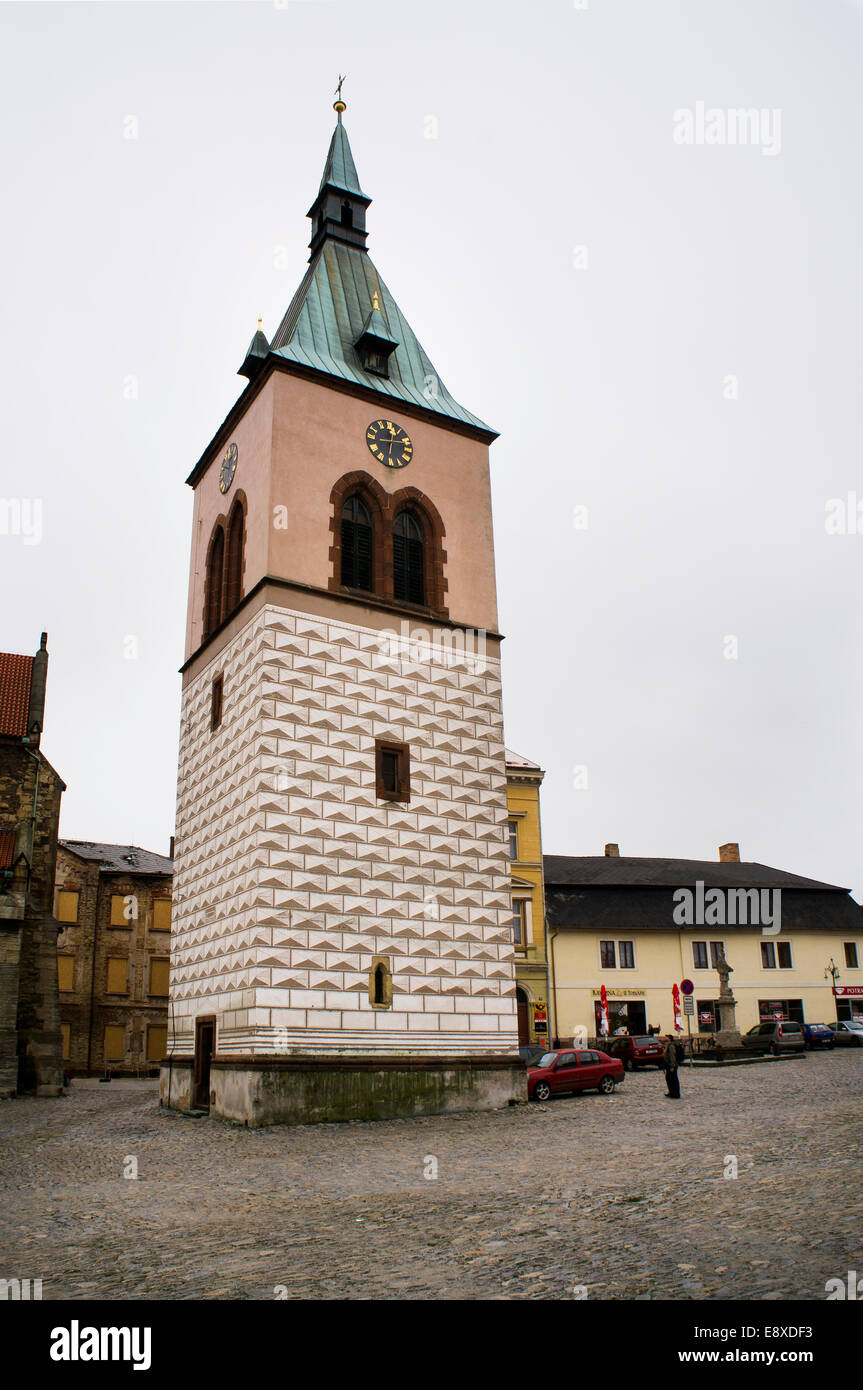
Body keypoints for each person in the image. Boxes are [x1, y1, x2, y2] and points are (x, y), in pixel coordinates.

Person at [663, 1033, 681, 1099]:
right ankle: (671, 1092)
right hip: (668, 1065)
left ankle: (675, 1093)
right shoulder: (668, 1045)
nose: (665, 1038)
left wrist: (672, 1066)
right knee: (669, 1079)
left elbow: (672, 1056)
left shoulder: (671, 1045)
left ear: (669, 1038)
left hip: (671, 1065)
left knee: (673, 1079)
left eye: (666, 1037)